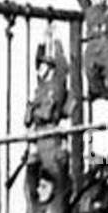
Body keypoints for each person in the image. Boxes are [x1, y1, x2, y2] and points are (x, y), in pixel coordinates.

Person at [23, 39, 72, 176]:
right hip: (38, 135)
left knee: (54, 172)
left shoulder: (56, 85)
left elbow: (63, 68)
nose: (39, 69)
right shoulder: (41, 88)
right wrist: (42, 43)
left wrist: (56, 43)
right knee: (34, 174)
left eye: (43, 65)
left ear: (50, 67)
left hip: (51, 135)